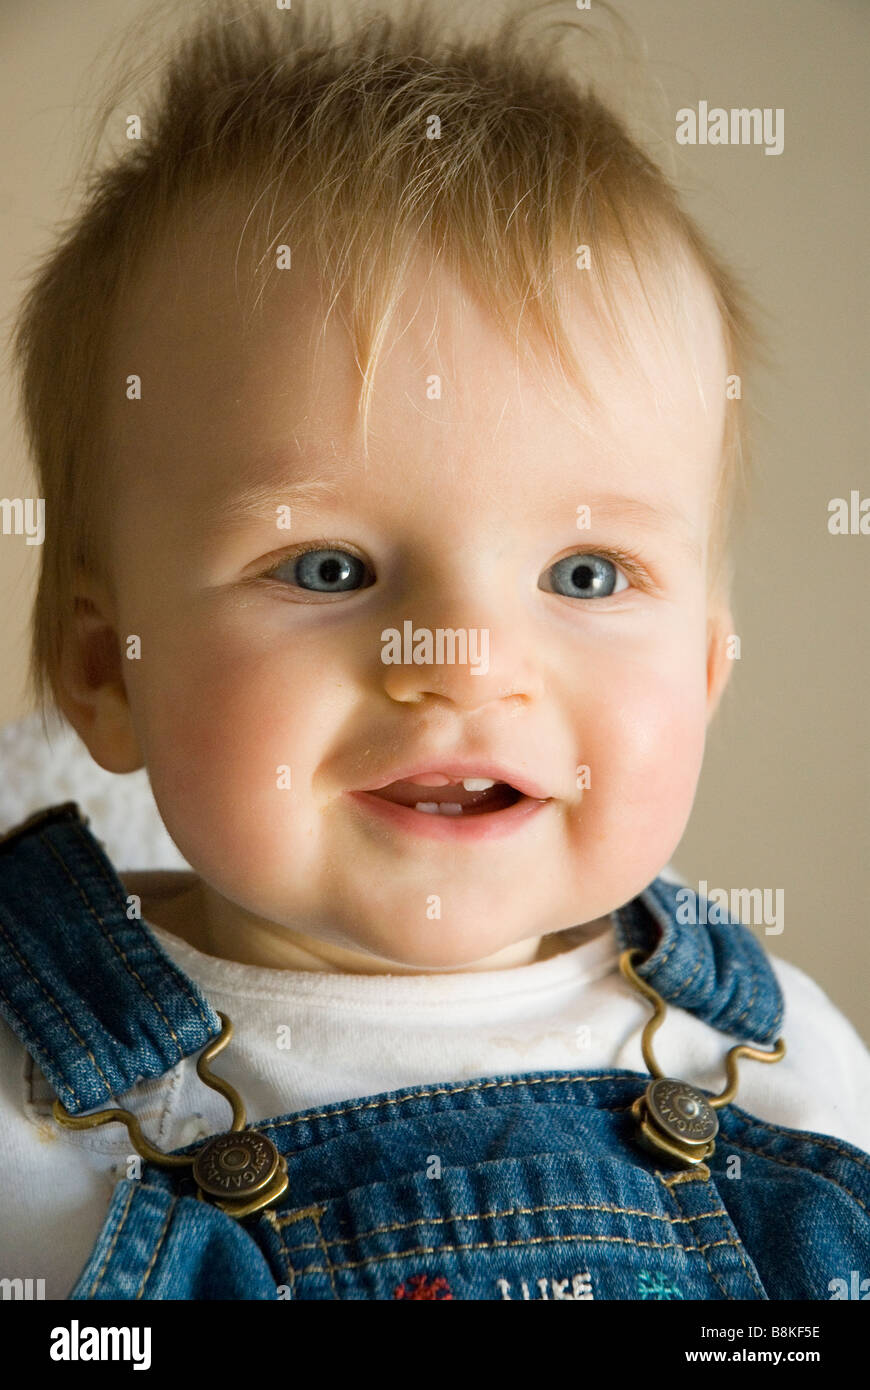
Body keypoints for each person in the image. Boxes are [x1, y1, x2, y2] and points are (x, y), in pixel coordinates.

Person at [1, 0, 868, 1301]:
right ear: (105, 667)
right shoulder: (30, 1094)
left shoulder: (775, 1063)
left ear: (701, 666)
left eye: (584, 574)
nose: (459, 660)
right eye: (327, 567)